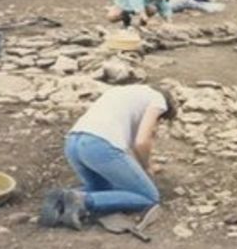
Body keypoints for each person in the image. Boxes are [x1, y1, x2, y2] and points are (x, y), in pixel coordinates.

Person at [40, 85, 177, 230]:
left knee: (102, 188)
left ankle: (61, 198)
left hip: (73, 142)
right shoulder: (158, 99)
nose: (156, 124)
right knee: (150, 197)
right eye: (159, 120)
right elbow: (142, 141)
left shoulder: (121, 92)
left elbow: (129, 153)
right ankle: (82, 201)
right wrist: (147, 167)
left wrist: (143, 167)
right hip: (98, 145)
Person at [106, 0, 173, 28]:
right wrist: (149, 21)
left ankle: (141, 26)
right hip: (125, 5)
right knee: (112, 17)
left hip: (142, 6)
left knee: (153, 9)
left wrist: (169, 22)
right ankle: (125, 21)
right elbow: (138, 7)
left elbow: (165, 7)